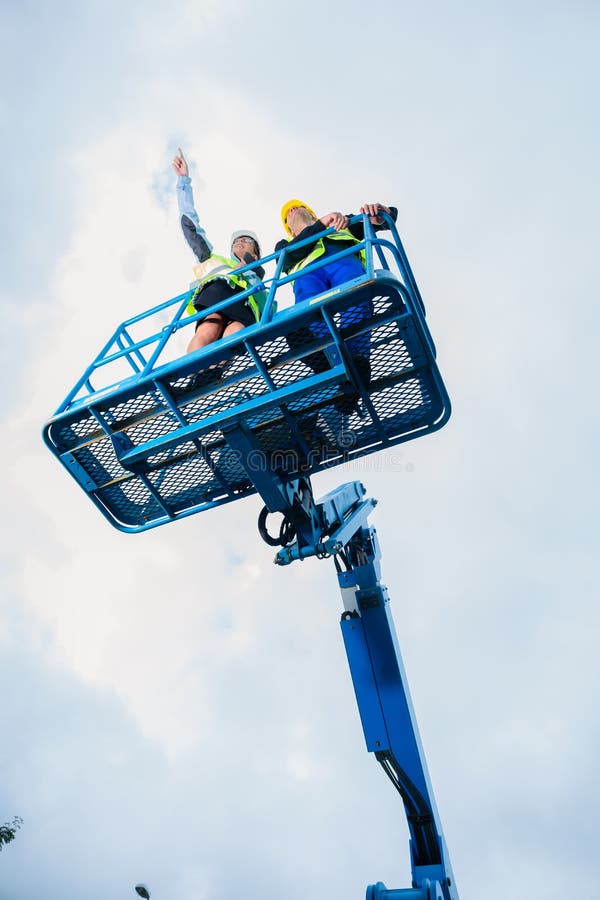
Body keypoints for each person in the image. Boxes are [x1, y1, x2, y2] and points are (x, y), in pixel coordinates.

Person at [275, 199, 398, 413]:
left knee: (355, 297)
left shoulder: (342, 223)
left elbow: (383, 220)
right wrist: (321, 225)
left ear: (311, 212)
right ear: (289, 229)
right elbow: (284, 259)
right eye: (288, 214)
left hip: (342, 262)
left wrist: (380, 214)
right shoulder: (285, 244)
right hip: (308, 275)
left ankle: (353, 365)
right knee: (309, 314)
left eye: (298, 206)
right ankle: (337, 365)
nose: (292, 209)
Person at [172, 148, 265, 357]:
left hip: (244, 305)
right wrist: (183, 182)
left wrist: (249, 264)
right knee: (208, 329)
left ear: (257, 253)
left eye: (247, 241)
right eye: (237, 241)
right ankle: (194, 375)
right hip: (216, 295)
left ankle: (214, 376)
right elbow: (190, 225)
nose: (240, 241)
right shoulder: (212, 259)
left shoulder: (259, 277)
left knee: (234, 333)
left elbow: (268, 308)